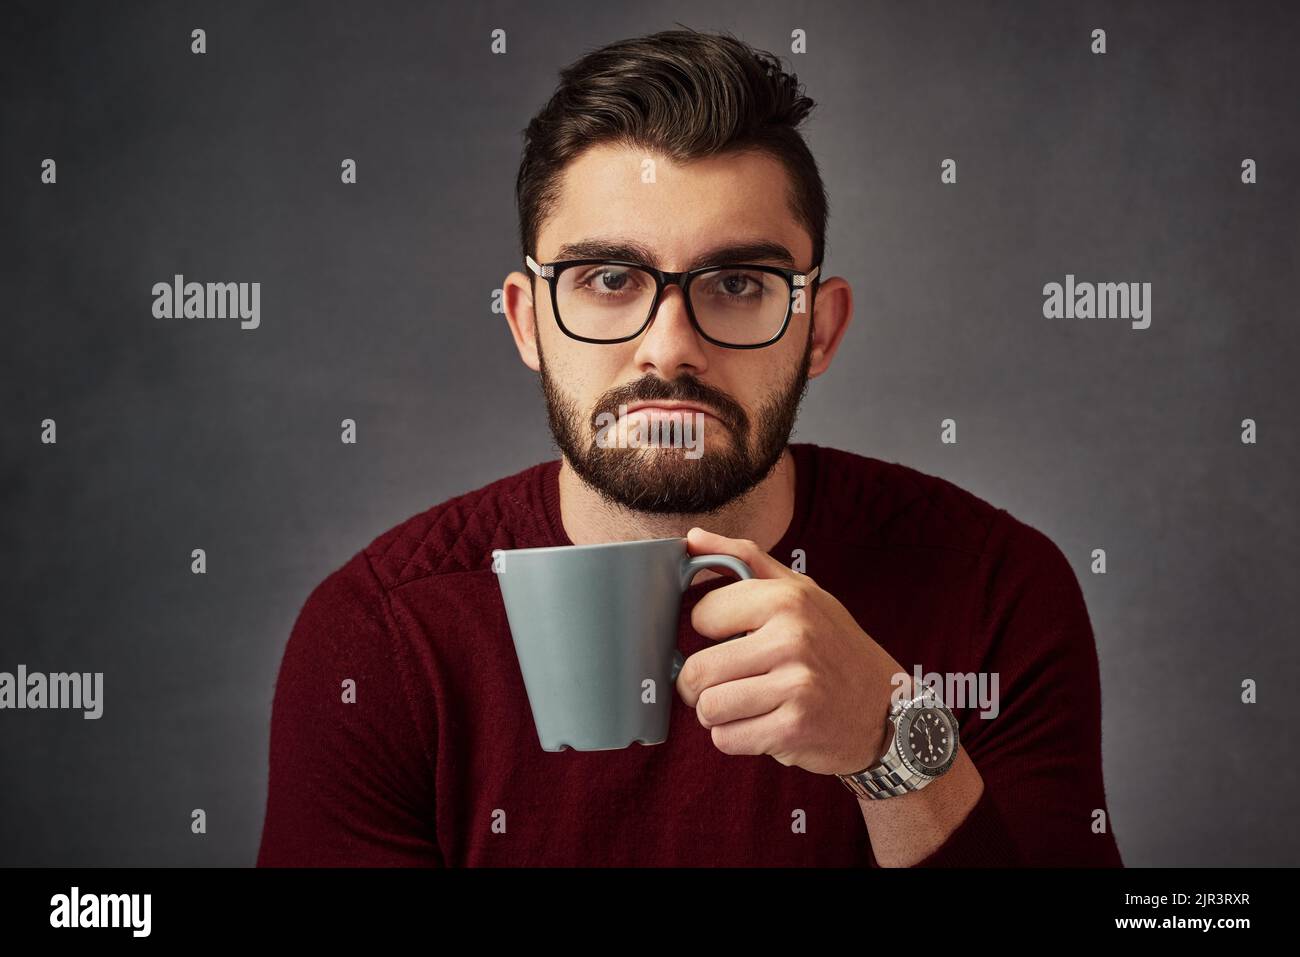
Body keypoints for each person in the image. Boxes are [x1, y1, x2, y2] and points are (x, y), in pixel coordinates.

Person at [256, 28, 1123, 867]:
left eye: (738, 283)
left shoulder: (997, 587)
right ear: (526, 322)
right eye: (607, 279)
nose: (669, 347)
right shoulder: (378, 638)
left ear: (817, 330)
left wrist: (890, 740)